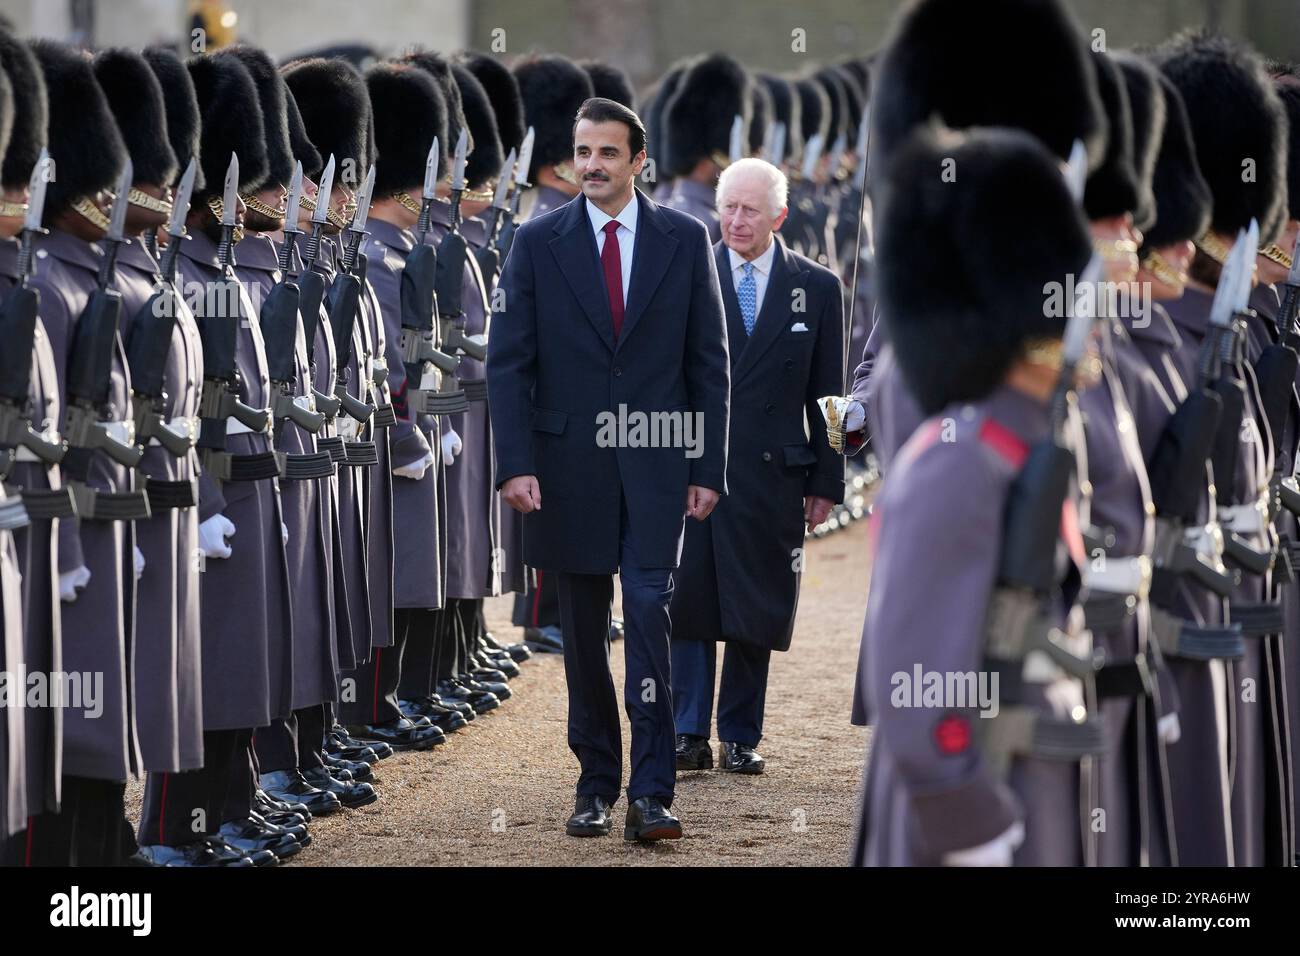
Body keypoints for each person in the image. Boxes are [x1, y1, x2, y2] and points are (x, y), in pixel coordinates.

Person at [851, 122, 1097, 866]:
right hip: (975, 801)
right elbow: (913, 665)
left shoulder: (1023, 434)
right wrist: (969, 822)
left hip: (1035, 770)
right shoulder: (962, 458)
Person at [488, 96, 729, 841]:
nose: (591, 165)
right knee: (585, 633)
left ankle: (652, 791)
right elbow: (508, 364)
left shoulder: (686, 240)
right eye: (582, 152)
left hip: (658, 469)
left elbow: (708, 365)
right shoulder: (537, 241)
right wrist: (515, 466)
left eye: (607, 153)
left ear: (639, 162)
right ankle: (595, 779)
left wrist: (707, 467)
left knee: (651, 614)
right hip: (565, 472)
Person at [671, 157, 843, 775]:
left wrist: (828, 479)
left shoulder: (818, 287)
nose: (736, 221)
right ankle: (686, 729)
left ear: (779, 215)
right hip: (696, 468)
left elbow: (830, 397)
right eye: (727, 208)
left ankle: (741, 733)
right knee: (689, 601)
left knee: (755, 603)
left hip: (774, 473)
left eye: (749, 210)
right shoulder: (690, 274)